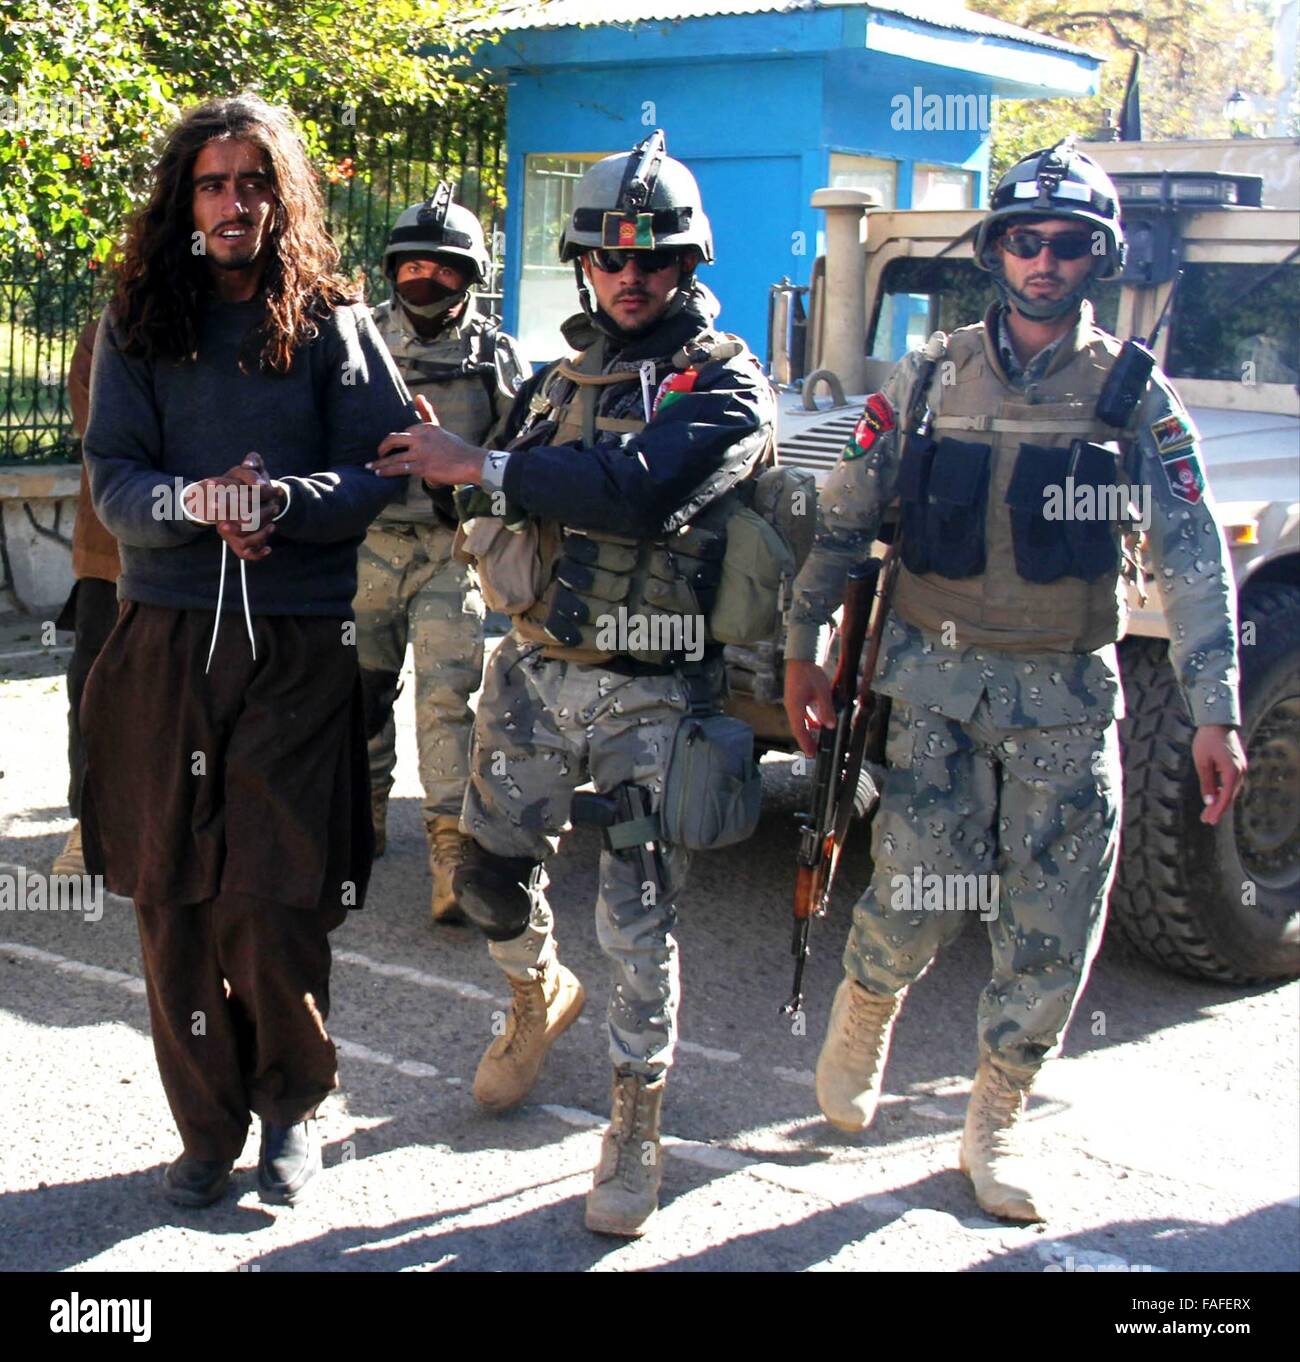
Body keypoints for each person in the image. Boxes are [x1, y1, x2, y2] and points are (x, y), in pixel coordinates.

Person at [783, 141, 1246, 1222]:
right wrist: (802, 643)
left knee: (1051, 922)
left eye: (1068, 244)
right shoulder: (932, 374)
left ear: (1099, 259)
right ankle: (867, 1000)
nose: (1044, 260)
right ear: (996, 251)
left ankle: (994, 1117)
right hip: (936, 690)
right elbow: (848, 512)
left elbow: (1190, 553)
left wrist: (1215, 709)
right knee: (910, 899)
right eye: (1025, 240)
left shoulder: (1133, 393)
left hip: (1066, 704)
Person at [371, 131, 777, 1236]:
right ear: (586, 265)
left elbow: (639, 490)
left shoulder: (725, 382)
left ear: (687, 265)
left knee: (638, 925)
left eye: (651, 259)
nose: (629, 276)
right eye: (608, 257)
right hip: (536, 674)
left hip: (656, 692)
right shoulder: (554, 382)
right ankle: (532, 993)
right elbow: (480, 492)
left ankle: (633, 1123)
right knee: (488, 882)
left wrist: (486, 467)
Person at [81, 94, 416, 1209]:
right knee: (169, 899)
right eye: (215, 184)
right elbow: (117, 483)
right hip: (165, 641)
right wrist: (198, 500)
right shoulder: (136, 322)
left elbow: (387, 467)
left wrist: (281, 497)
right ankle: (207, 1125)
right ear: (186, 200)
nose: (235, 203)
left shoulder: (330, 320)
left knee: (274, 896)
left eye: (255, 182)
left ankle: (290, 1110)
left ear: (283, 198)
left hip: (294, 647)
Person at [357, 185, 523, 924]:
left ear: (471, 278)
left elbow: (519, 454)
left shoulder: (495, 354)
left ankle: (449, 854)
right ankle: (354, 817)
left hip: (451, 553)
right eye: (411, 266)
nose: (425, 281)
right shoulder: (357, 340)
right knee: (352, 695)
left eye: (444, 269)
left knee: (447, 702)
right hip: (364, 547)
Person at [52, 317, 120, 876]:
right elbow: (103, 432)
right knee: (94, 690)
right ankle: (88, 828)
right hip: (113, 551)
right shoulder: (111, 327)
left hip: (216, 551)